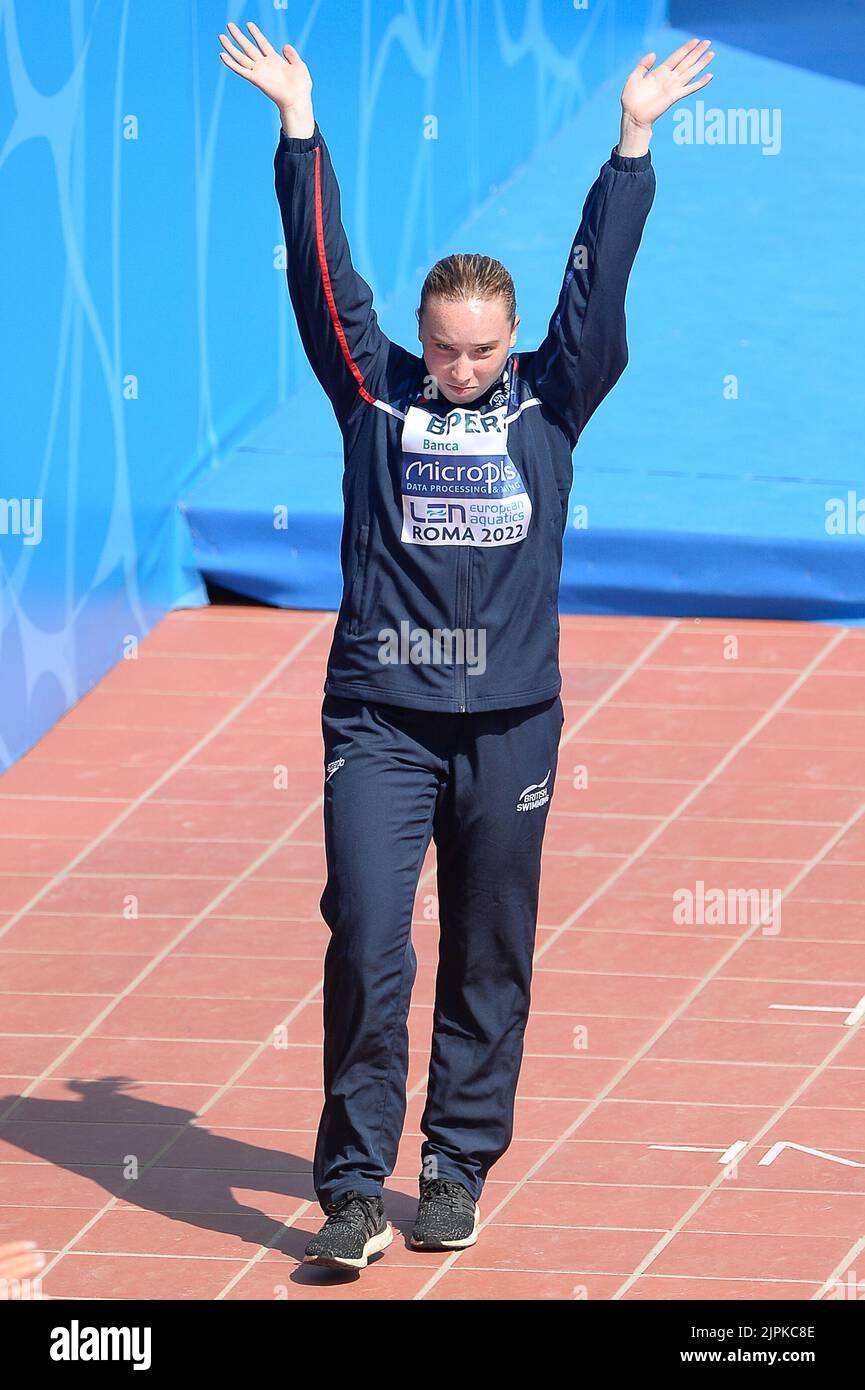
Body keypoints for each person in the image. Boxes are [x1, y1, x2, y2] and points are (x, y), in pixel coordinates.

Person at [218, 19, 714, 1272]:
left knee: (490, 949)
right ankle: (349, 1185)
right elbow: (323, 280)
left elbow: (594, 293)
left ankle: (452, 1167)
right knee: (369, 935)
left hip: (509, 723)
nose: (454, 366)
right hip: (379, 719)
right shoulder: (374, 393)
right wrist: (300, 130)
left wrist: (632, 145)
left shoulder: (553, 397)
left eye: (479, 349)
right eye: (441, 345)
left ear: (509, 349)